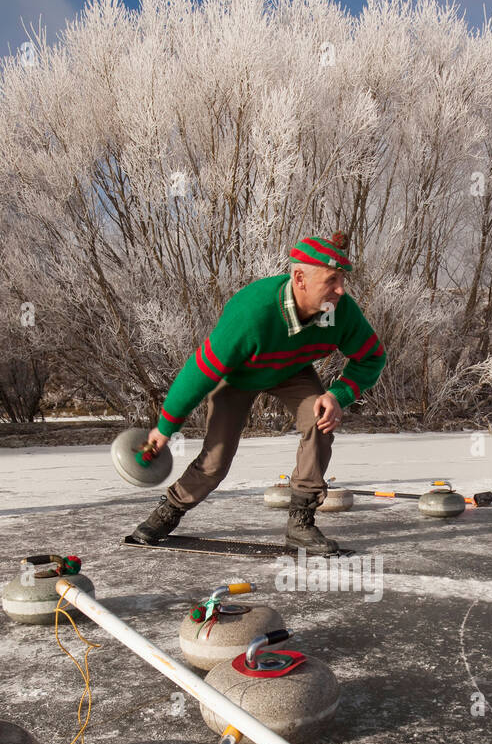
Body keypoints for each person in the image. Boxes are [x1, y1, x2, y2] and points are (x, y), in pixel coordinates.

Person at [130, 231, 386, 555]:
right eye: (331, 280)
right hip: (239, 376)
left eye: (342, 280)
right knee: (216, 460)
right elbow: (199, 373)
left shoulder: (341, 311)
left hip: (292, 371)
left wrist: (339, 395)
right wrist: (165, 427)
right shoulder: (252, 313)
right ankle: (167, 512)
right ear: (299, 278)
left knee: (319, 420)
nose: (340, 290)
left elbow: (373, 357)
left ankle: (301, 523)